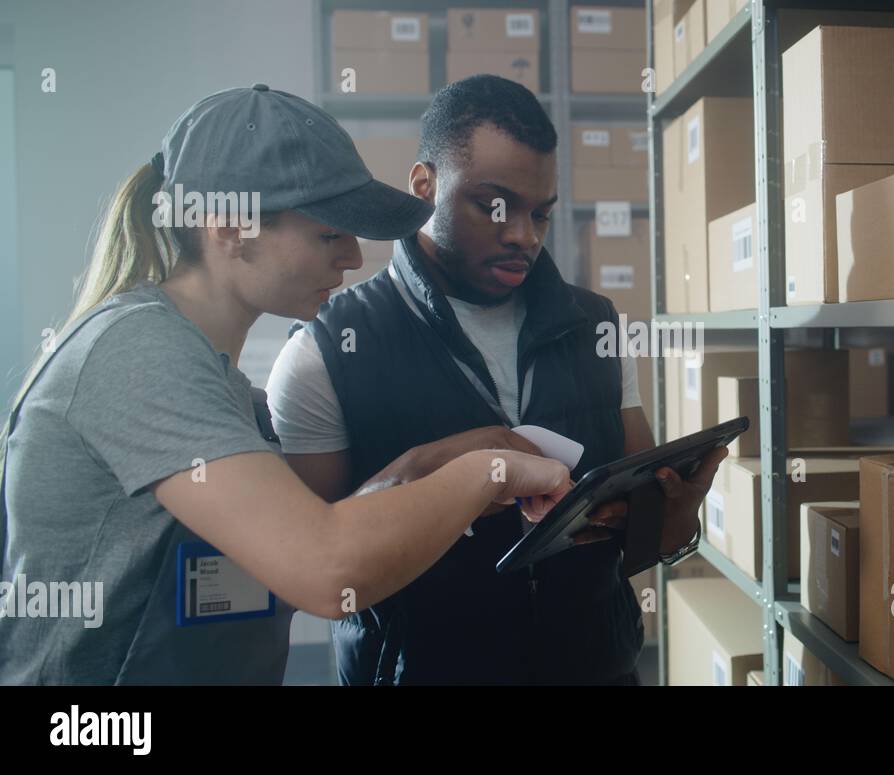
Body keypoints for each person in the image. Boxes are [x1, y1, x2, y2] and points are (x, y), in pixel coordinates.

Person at [0, 84, 571, 685]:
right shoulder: (136, 352)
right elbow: (325, 571)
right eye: (330, 234)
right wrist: (489, 473)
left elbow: (274, 561)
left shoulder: (225, 389)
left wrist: (422, 468)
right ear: (229, 228)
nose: (353, 257)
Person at [267, 75, 721, 685]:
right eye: (495, 206)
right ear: (424, 186)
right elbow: (304, 572)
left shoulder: (598, 327)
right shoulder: (325, 350)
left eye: (541, 214)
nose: (524, 236)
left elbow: (641, 537)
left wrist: (678, 515)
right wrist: (436, 467)